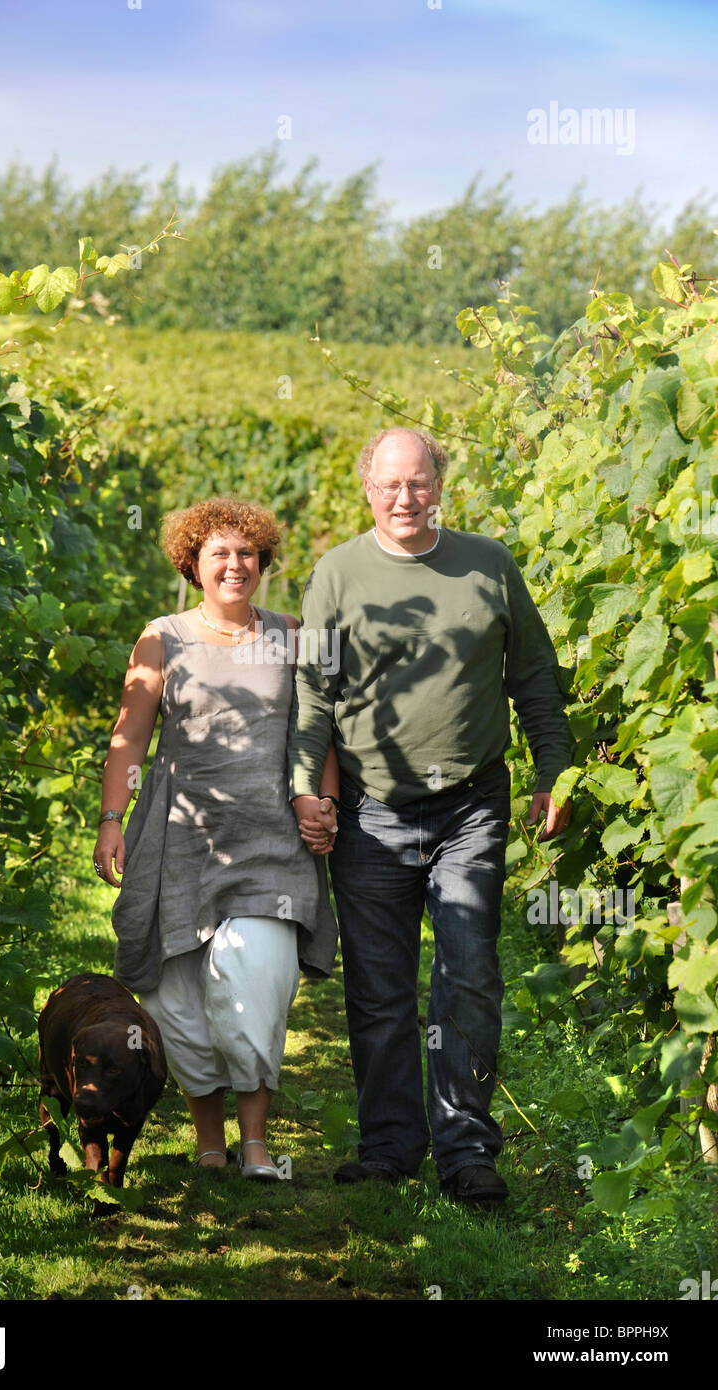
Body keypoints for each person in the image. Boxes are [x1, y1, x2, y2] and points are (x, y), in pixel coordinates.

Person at [288, 427, 573, 1201]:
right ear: (367, 489)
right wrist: (303, 786)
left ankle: (467, 1151)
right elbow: (314, 698)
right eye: (389, 485)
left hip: (473, 804)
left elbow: (536, 679)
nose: (404, 499)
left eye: (418, 483)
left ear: (439, 483)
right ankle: (388, 1147)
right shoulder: (338, 575)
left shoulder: (489, 564)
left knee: (469, 974)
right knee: (380, 988)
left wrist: (553, 773)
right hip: (375, 808)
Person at [94, 498, 339, 1179]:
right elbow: (130, 738)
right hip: (179, 837)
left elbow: (317, 736)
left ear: (263, 562)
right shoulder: (162, 638)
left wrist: (325, 804)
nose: (236, 565)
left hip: (270, 841)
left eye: (247, 554)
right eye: (219, 554)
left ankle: (254, 1141)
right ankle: (209, 1141)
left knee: (254, 985)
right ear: (192, 564)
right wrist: (113, 819)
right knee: (178, 998)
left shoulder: (293, 636)